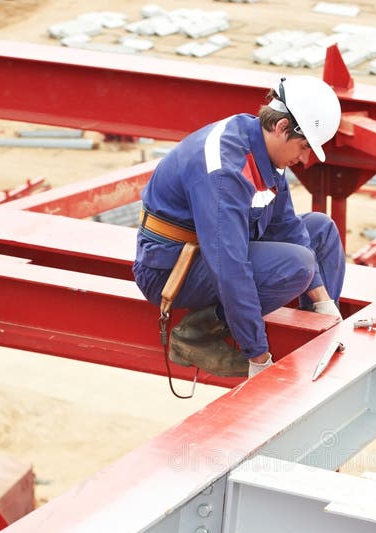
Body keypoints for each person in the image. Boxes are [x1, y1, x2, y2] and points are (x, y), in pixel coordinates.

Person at [133, 75, 346, 379]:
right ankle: (197, 332)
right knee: (299, 264)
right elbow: (229, 266)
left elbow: (286, 226)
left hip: (215, 250)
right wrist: (258, 356)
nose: (305, 158)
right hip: (171, 269)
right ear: (282, 127)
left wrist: (323, 302)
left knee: (320, 230)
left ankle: (320, 334)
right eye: (303, 146)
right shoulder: (225, 169)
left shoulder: (263, 149)